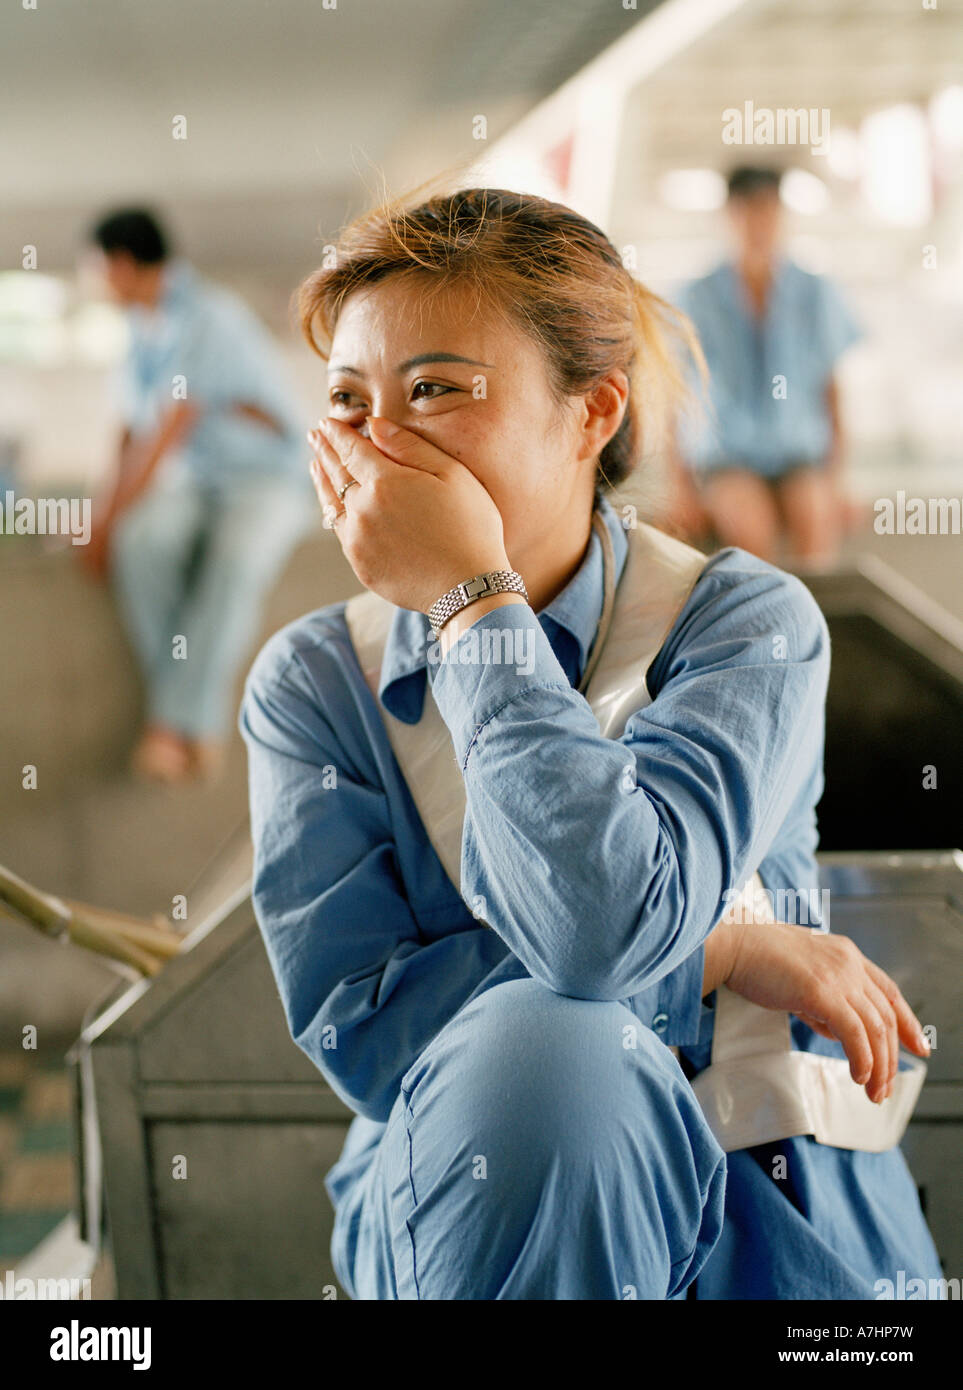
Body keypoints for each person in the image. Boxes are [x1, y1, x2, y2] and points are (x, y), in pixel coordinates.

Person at [238, 187, 940, 1300]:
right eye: (347, 400)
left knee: (555, 1043)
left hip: (758, 1189)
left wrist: (474, 603)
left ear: (593, 412)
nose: (380, 441)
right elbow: (370, 1033)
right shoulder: (316, 684)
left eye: (434, 390)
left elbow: (602, 929)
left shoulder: (745, 627)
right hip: (473, 1209)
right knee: (546, 1068)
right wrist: (715, 956)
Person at [82, 208, 314, 783]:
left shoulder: (209, 316)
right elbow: (127, 431)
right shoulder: (141, 327)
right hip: (202, 481)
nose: (93, 280)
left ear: (122, 263)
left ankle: (174, 725)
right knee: (144, 541)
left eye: (96, 267)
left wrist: (104, 521)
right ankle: (194, 715)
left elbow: (166, 430)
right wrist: (102, 519)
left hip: (268, 479)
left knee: (233, 562)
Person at [666, 166, 863, 564]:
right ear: (728, 216)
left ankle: (809, 625)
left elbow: (831, 390)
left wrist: (838, 481)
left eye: (767, 211)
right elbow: (676, 397)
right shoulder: (695, 296)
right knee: (751, 532)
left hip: (799, 456)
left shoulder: (815, 292)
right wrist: (681, 489)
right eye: (747, 211)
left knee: (815, 528)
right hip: (727, 461)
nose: (758, 224)